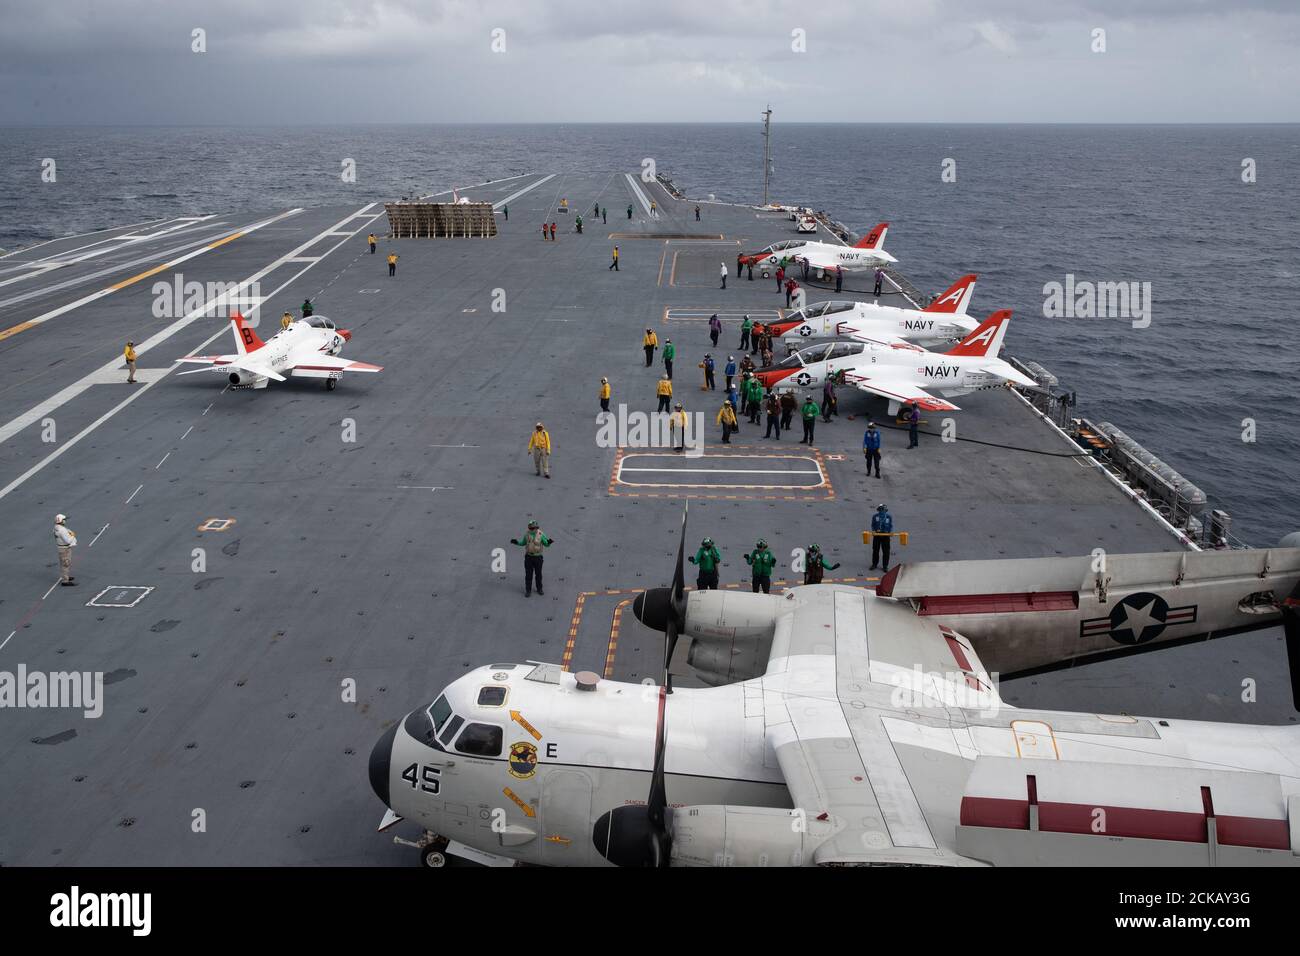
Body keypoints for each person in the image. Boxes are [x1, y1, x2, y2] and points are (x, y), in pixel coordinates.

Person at [510, 519, 552, 597]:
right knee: (528, 575)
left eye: (533, 528)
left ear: (536, 528)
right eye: (530, 528)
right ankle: (528, 590)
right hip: (528, 557)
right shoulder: (527, 534)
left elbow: (546, 544)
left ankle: (539, 589)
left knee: (538, 574)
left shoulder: (541, 535)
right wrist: (516, 542)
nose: (531, 530)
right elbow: (523, 543)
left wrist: (549, 542)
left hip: (538, 557)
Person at [54, 513, 77, 586]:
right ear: (61, 521)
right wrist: (72, 536)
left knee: (64, 563)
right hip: (65, 548)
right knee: (66, 564)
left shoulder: (56, 527)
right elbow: (68, 540)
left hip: (61, 547)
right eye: (64, 520)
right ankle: (65, 581)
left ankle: (65, 576)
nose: (65, 521)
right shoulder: (62, 530)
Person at [870, 504, 894, 571]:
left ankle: (885, 566)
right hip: (877, 535)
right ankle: (874, 564)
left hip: (886, 535)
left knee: (886, 551)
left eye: (883, 509)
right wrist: (873, 531)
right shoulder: (875, 516)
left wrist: (891, 532)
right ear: (878, 510)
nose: (881, 511)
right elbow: (872, 525)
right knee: (875, 550)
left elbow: (891, 525)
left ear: (885, 510)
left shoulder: (889, 517)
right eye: (880, 509)